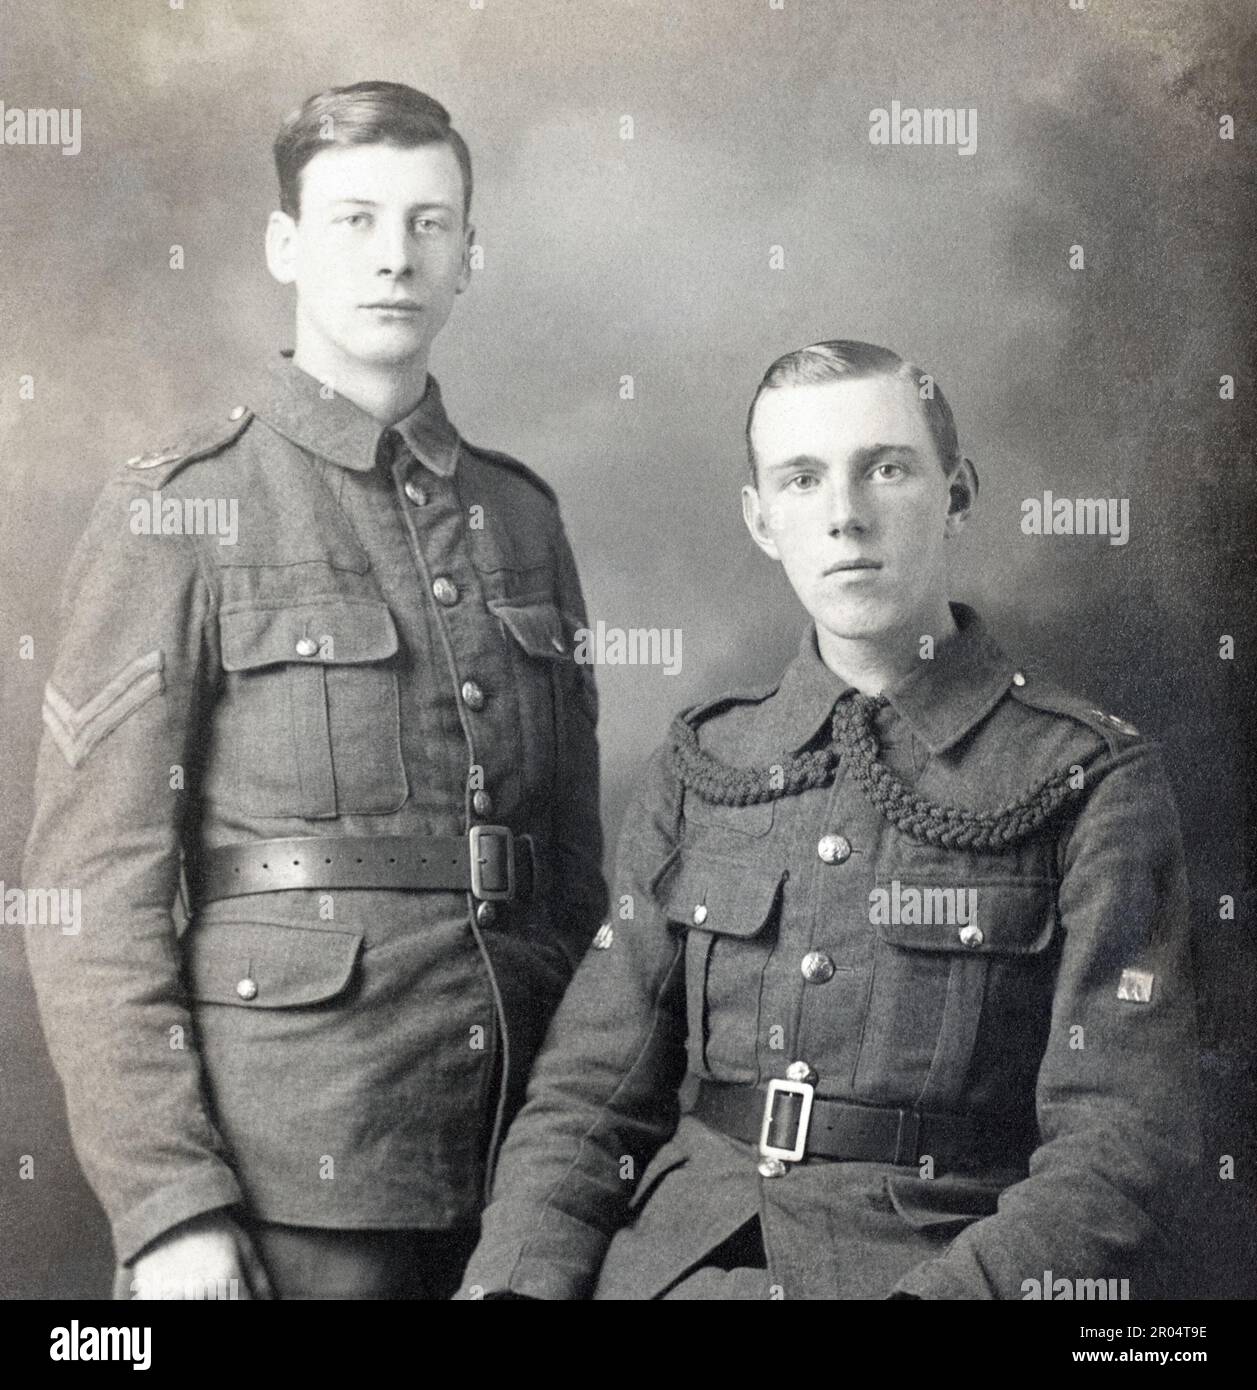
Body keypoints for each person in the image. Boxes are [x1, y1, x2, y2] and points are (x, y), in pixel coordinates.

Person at [458, 339, 1201, 1300]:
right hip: (672, 1271)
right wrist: (511, 1286)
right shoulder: (705, 761)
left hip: (931, 1270)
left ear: (957, 496)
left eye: (884, 469)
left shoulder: (1086, 776)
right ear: (761, 520)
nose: (843, 515)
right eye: (801, 480)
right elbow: (587, 1096)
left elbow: (1120, 1144)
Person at [22, 81, 605, 1300]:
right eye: (355, 220)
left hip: (525, 1179)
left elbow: (575, 882)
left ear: (469, 256)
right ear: (285, 246)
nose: (396, 256)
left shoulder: (522, 518)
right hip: (286, 1175)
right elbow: (90, 896)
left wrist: (578, 1164)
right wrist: (169, 1206)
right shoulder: (182, 508)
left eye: (429, 223)